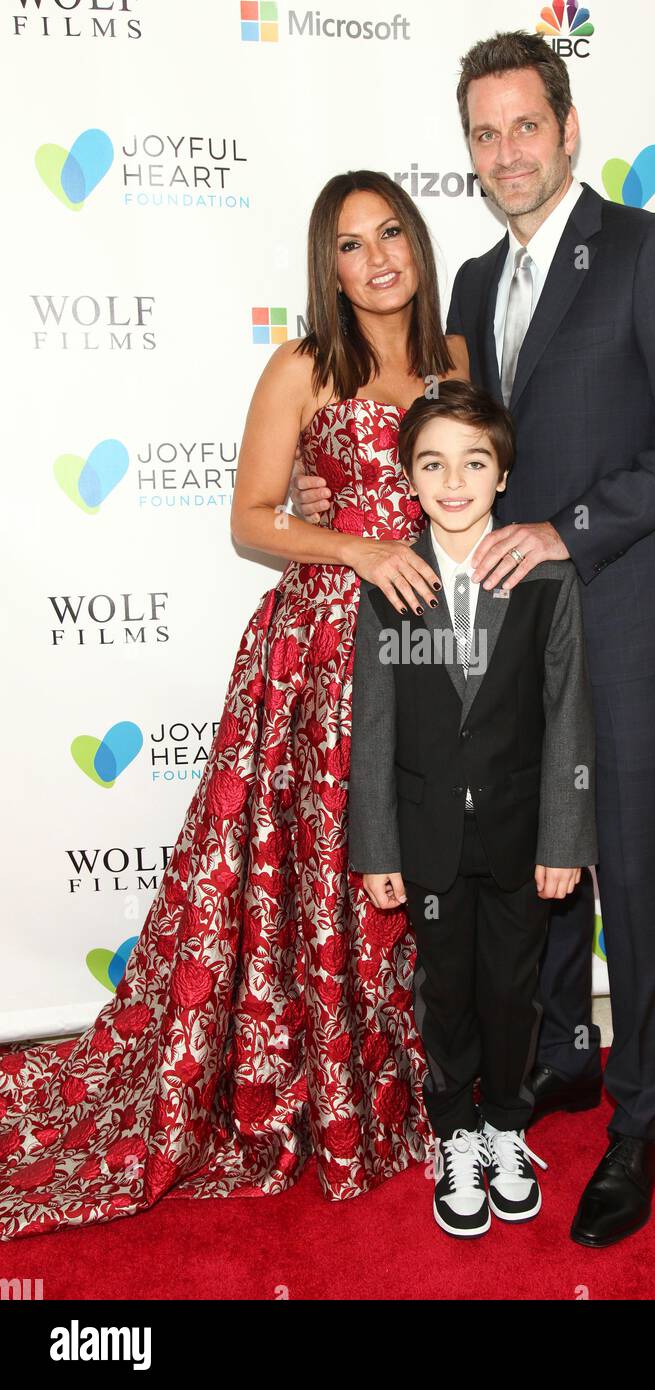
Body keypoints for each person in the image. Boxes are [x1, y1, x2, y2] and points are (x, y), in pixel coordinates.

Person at [294, 32, 655, 1247]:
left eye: (523, 126)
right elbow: (450, 443)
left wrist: (568, 529)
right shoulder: (476, 287)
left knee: (631, 880)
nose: (506, 152)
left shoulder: (653, 251)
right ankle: (563, 1059)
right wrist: (343, 504)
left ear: (567, 125)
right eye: (483, 134)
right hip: (501, 640)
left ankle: (641, 1119)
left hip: (628, 620)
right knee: (533, 873)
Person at [0, 170, 470, 1241]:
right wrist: (353, 538)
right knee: (328, 864)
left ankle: (414, 1087)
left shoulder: (455, 361)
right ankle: (314, 1087)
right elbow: (254, 517)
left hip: (435, 652)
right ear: (329, 267)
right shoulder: (305, 365)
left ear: (417, 241)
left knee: (416, 868)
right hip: (326, 659)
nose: (377, 257)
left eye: (391, 232)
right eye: (350, 245)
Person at [347, 379, 597, 1237]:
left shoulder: (544, 576)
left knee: (514, 993)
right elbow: (372, 730)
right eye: (432, 463)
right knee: (445, 991)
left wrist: (565, 835)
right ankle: (454, 1134)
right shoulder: (390, 583)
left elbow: (567, 714)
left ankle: (503, 1128)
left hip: (523, 832)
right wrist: (377, 846)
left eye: (474, 462)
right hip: (426, 841)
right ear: (409, 478)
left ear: (501, 474)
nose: (453, 481)